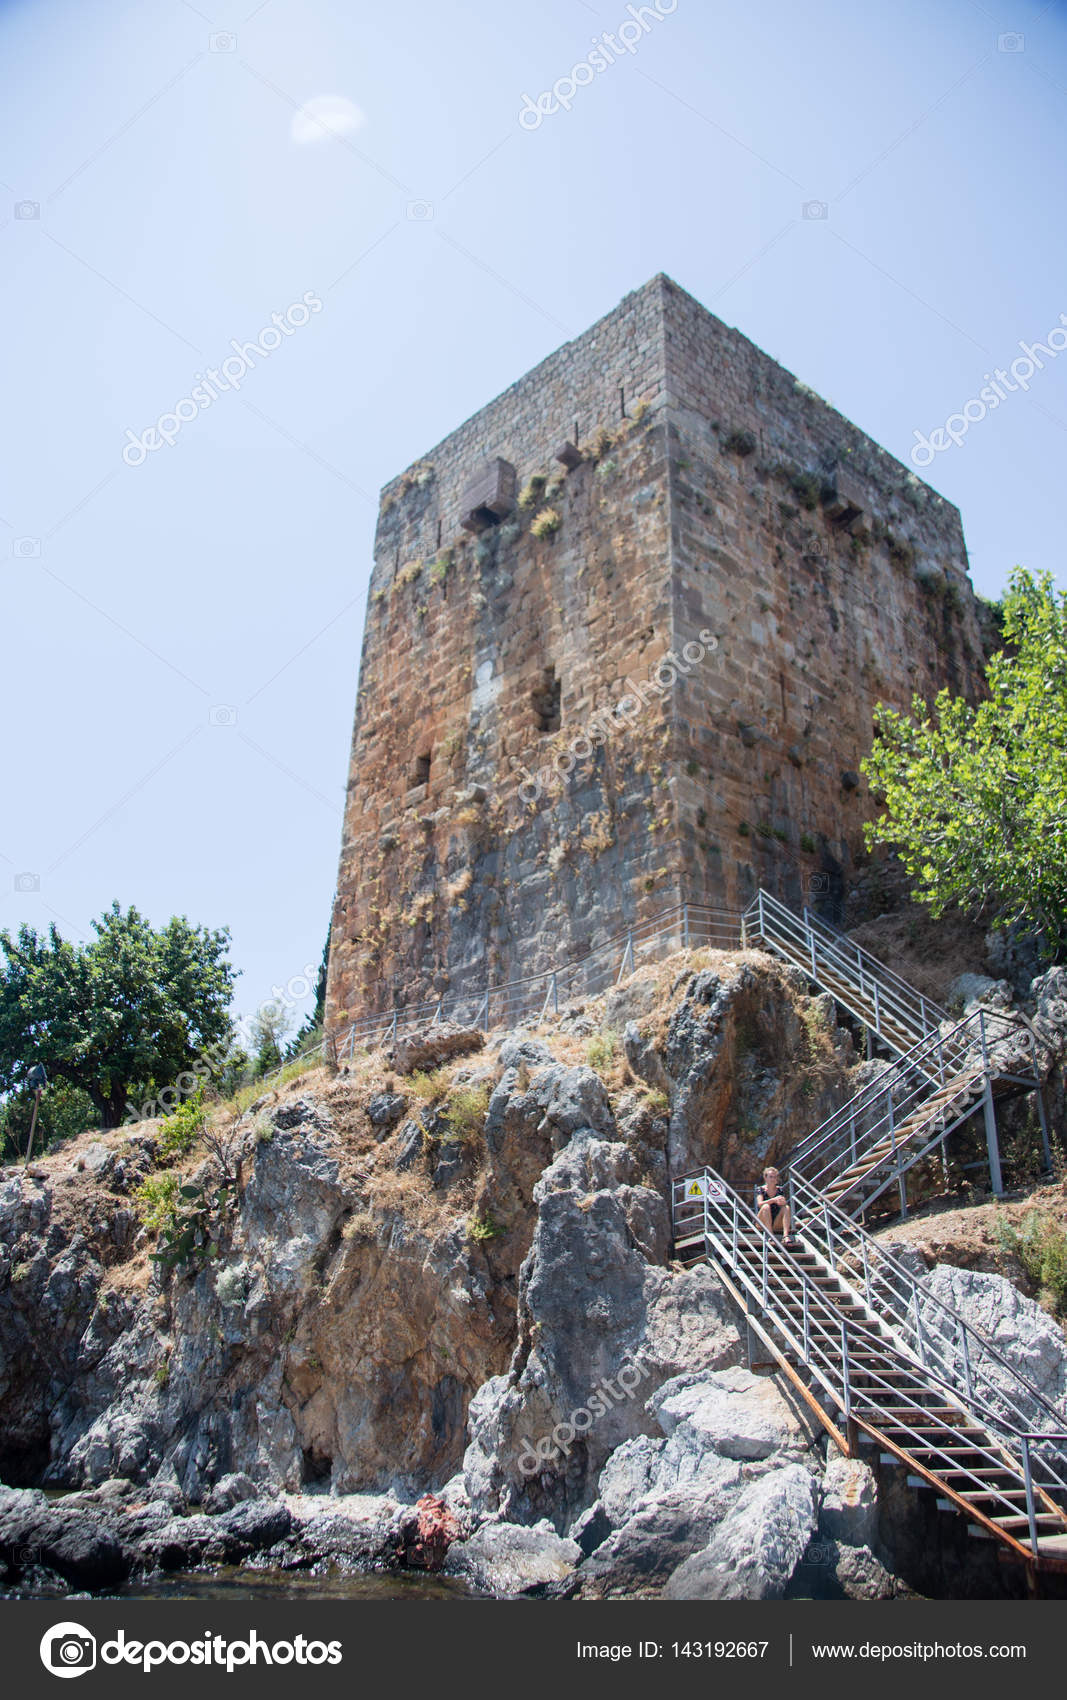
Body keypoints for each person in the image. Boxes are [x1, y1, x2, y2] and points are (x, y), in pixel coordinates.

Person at [755, 1166, 797, 1248]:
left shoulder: (780, 1190)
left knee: (786, 1207)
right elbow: (759, 1204)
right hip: (763, 1221)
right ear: (765, 1177)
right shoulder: (760, 1189)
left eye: (775, 1177)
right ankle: (771, 1235)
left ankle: (785, 1236)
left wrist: (783, 1202)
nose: (773, 1179)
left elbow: (783, 1204)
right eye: (770, 1177)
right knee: (766, 1206)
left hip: (776, 1221)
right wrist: (773, 1200)